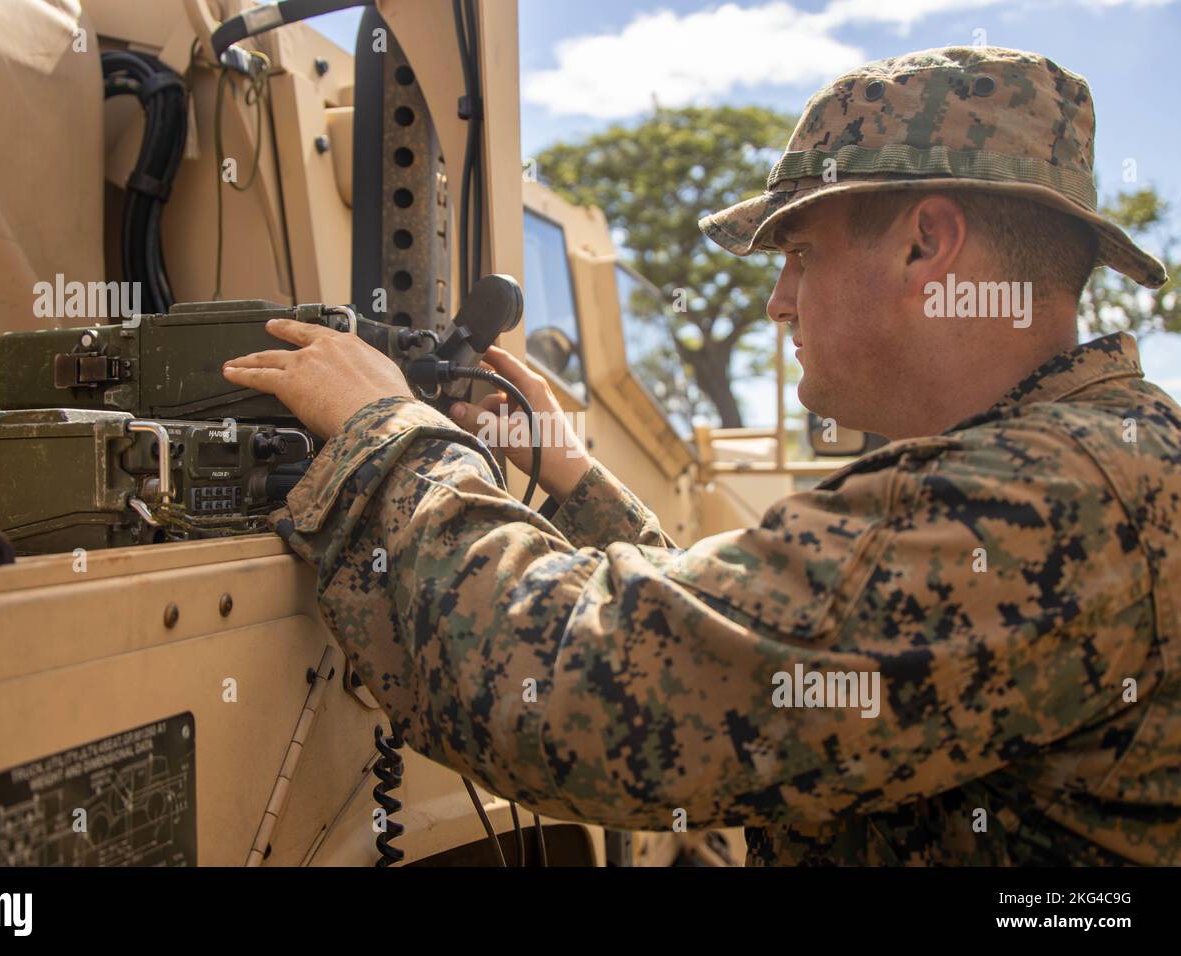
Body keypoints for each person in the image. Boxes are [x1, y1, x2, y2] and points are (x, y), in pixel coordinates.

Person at [222, 47, 1180, 865]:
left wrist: (388, 437)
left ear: (927, 244)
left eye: (799, 252)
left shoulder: (1037, 501)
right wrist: (569, 476)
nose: (780, 302)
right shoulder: (1102, 460)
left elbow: (589, 695)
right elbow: (748, 646)